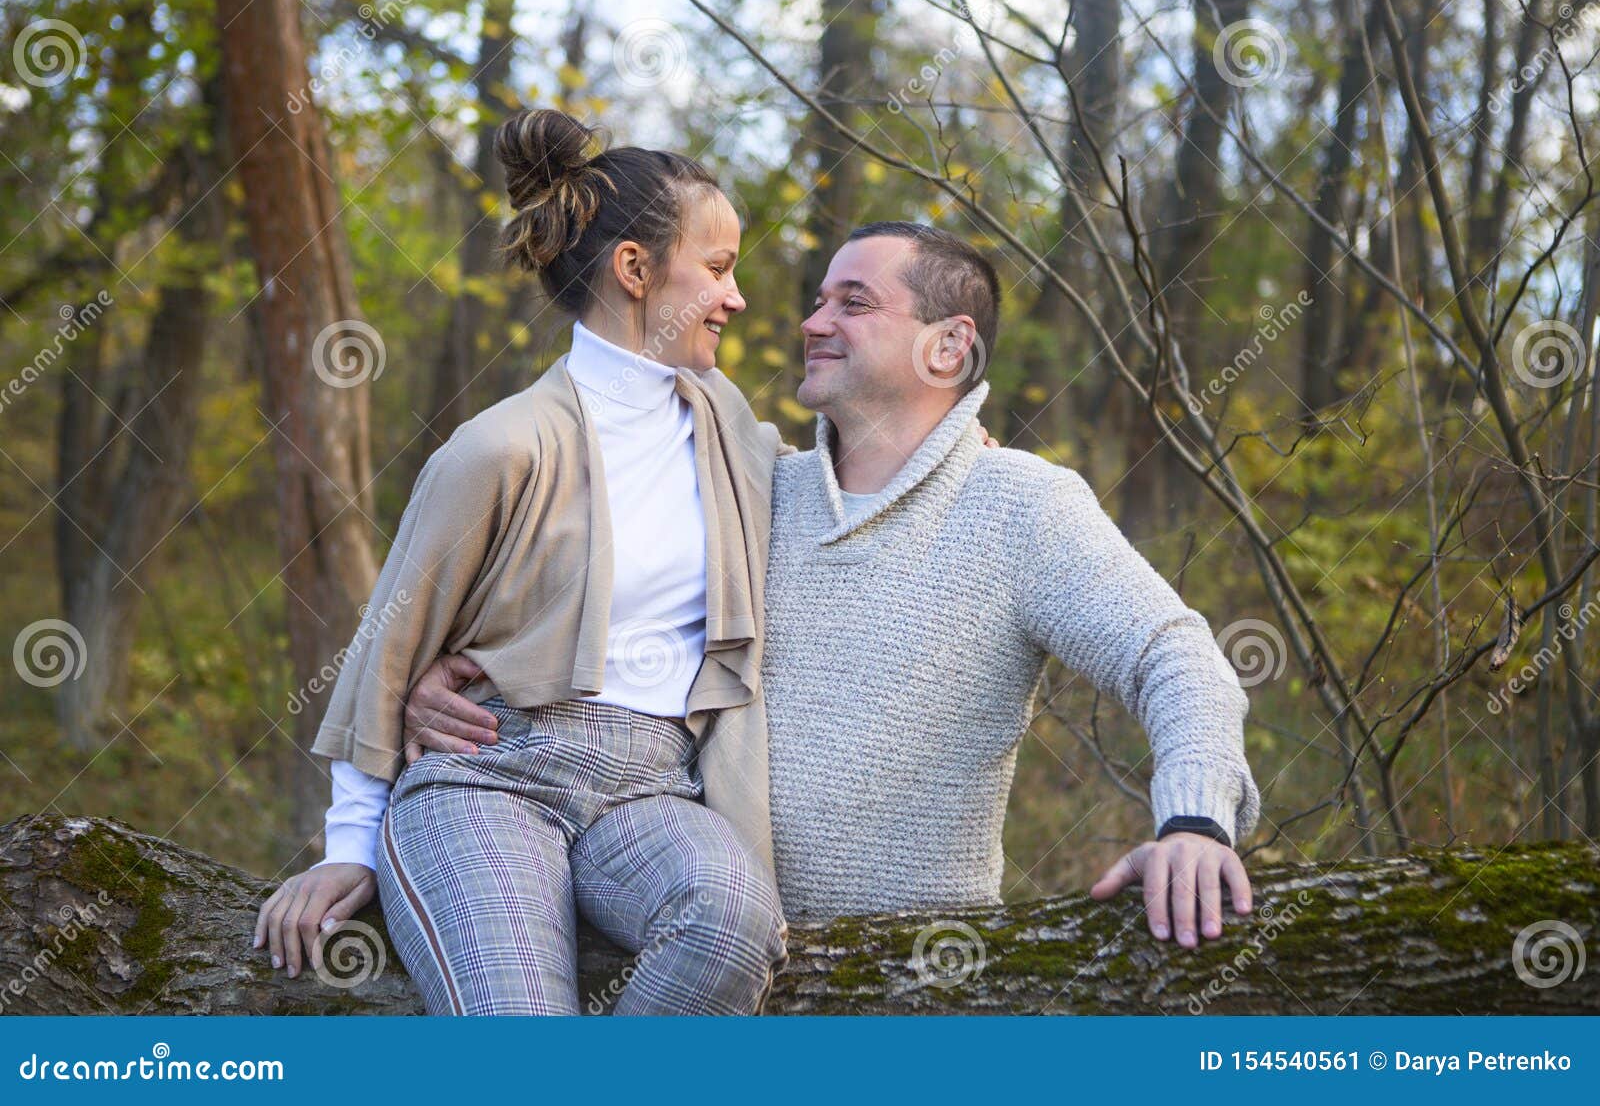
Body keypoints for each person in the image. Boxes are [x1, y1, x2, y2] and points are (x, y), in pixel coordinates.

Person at [406, 221, 1261, 952]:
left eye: (854, 303)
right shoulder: (752, 487)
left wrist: (1193, 821)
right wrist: (450, 674)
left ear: (948, 345)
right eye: (818, 300)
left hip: (910, 974)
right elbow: (580, 584)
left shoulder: (1021, 504)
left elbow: (1173, 655)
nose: (813, 322)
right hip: (683, 933)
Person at [251, 108, 788, 1014]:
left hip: (653, 790)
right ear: (634, 270)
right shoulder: (500, 446)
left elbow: (845, 483)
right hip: (489, 777)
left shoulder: (731, 430)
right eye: (719, 269)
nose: (736, 299)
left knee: (732, 921)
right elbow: (392, 643)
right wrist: (349, 842)